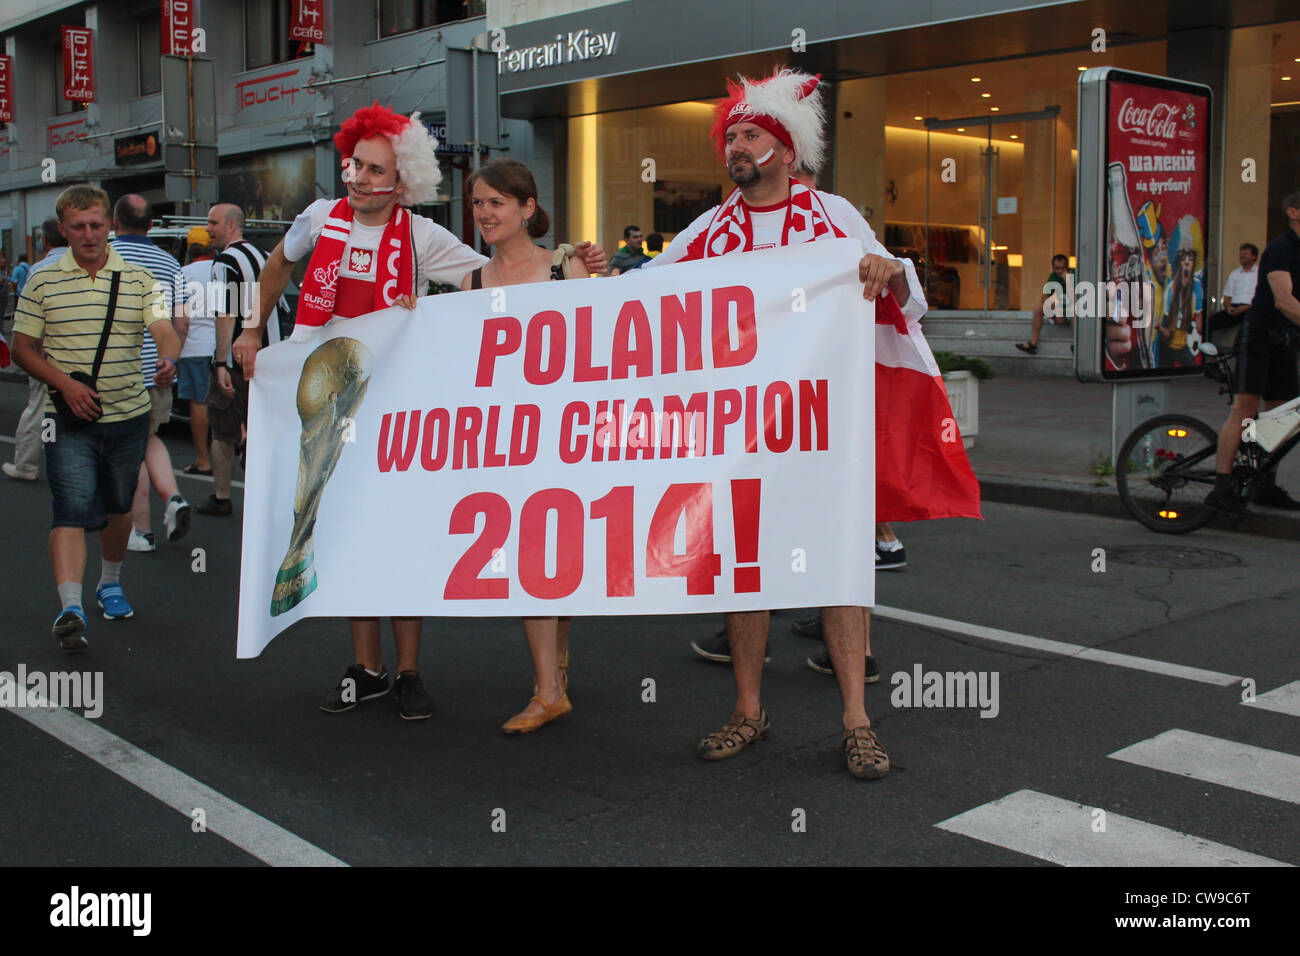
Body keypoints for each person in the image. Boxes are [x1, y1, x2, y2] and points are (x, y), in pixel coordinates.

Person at [645, 68, 979, 779]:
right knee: (743, 574)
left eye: (751, 134)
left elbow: (902, 286)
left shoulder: (833, 216)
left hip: (827, 435)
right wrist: (584, 285)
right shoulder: (710, 231)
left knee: (841, 571)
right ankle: (747, 710)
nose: (736, 145)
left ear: (787, 151)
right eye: (731, 135)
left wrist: (884, 271)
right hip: (739, 438)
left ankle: (857, 721)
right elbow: (645, 304)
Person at [231, 102, 606, 721]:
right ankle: (365, 666)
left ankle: (407, 670)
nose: (359, 180)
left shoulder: (422, 236)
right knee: (340, 523)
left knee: (394, 526)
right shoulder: (318, 217)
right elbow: (278, 265)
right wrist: (250, 330)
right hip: (325, 401)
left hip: (393, 407)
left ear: (401, 181)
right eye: (354, 166)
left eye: (375, 171)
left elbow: (495, 285)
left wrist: (575, 266)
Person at [10, 184, 180, 650]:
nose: (88, 234)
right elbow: (20, 350)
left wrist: (169, 357)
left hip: (127, 415)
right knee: (69, 508)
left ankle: (109, 581)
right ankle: (71, 608)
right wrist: (64, 384)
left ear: (110, 225)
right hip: (67, 420)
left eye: (96, 225)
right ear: (63, 229)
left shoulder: (140, 279)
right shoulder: (42, 280)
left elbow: (163, 327)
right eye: (78, 227)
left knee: (118, 510)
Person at [461, 158, 587, 734]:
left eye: (497, 203)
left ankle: (553, 668)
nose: (484, 214)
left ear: (527, 208)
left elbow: (598, 348)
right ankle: (548, 688)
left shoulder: (567, 269)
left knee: (565, 558)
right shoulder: (471, 282)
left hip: (570, 435)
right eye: (479, 203)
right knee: (532, 557)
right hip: (509, 441)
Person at [193, 203, 292, 518]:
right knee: (265, 429)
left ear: (231, 225)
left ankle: (222, 497)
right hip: (270, 361)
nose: (208, 229)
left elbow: (226, 312)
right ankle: (269, 496)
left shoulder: (224, 262)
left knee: (223, 431)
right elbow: (283, 308)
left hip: (238, 362)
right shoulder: (265, 257)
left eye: (213, 223)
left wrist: (220, 363)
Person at [1205, 190, 1300, 516]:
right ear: (1294, 212)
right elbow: (1284, 300)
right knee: (1245, 408)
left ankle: (1265, 485)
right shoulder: (1281, 249)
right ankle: (1221, 487)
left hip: (1287, 341)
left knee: (1282, 416)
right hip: (1259, 337)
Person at [109, 195, 192, 552]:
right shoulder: (169, 261)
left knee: (127, 448)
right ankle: (172, 498)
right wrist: (170, 361)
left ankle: (140, 531)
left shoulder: (103, 254)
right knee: (149, 437)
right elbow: (182, 321)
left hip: (115, 373)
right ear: (150, 226)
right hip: (158, 370)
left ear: (114, 221)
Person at [3, 220, 68, 482]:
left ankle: (26, 465)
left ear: (45, 241)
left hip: (47, 352)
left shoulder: (39, 270)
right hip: (84, 351)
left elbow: (32, 317)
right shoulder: (89, 265)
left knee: (38, 408)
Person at [176, 228, 216, 475]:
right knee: (228, 402)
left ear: (190, 250)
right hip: (222, 347)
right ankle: (241, 441)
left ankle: (203, 459)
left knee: (199, 403)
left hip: (193, 347)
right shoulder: (222, 269)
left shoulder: (181, 274)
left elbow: (178, 319)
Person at [1015, 254, 1071, 354]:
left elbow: (1077, 298)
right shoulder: (1053, 276)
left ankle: (1078, 345)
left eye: (1063, 267)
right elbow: (1044, 297)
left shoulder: (1074, 274)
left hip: (1073, 311)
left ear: (1067, 266)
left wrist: (1068, 280)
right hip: (1061, 310)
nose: (1061, 271)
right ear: (1053, 268)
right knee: (1038, 308)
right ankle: (1033, 344)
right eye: (1057, 268)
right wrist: (1056, 310)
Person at [1207, 243, 1259, 340]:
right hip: (1235, 308)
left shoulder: (1260, 273)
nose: (1242, 256)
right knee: (1209, 322)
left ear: (1254, 256)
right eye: (1241, 254)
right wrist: (1228, 307)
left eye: (1246, 254)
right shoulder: (1234, 274)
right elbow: (1226, 297)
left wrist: (1247, 307)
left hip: (1252, 309)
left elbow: (1263, 297)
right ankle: (1209, 351)